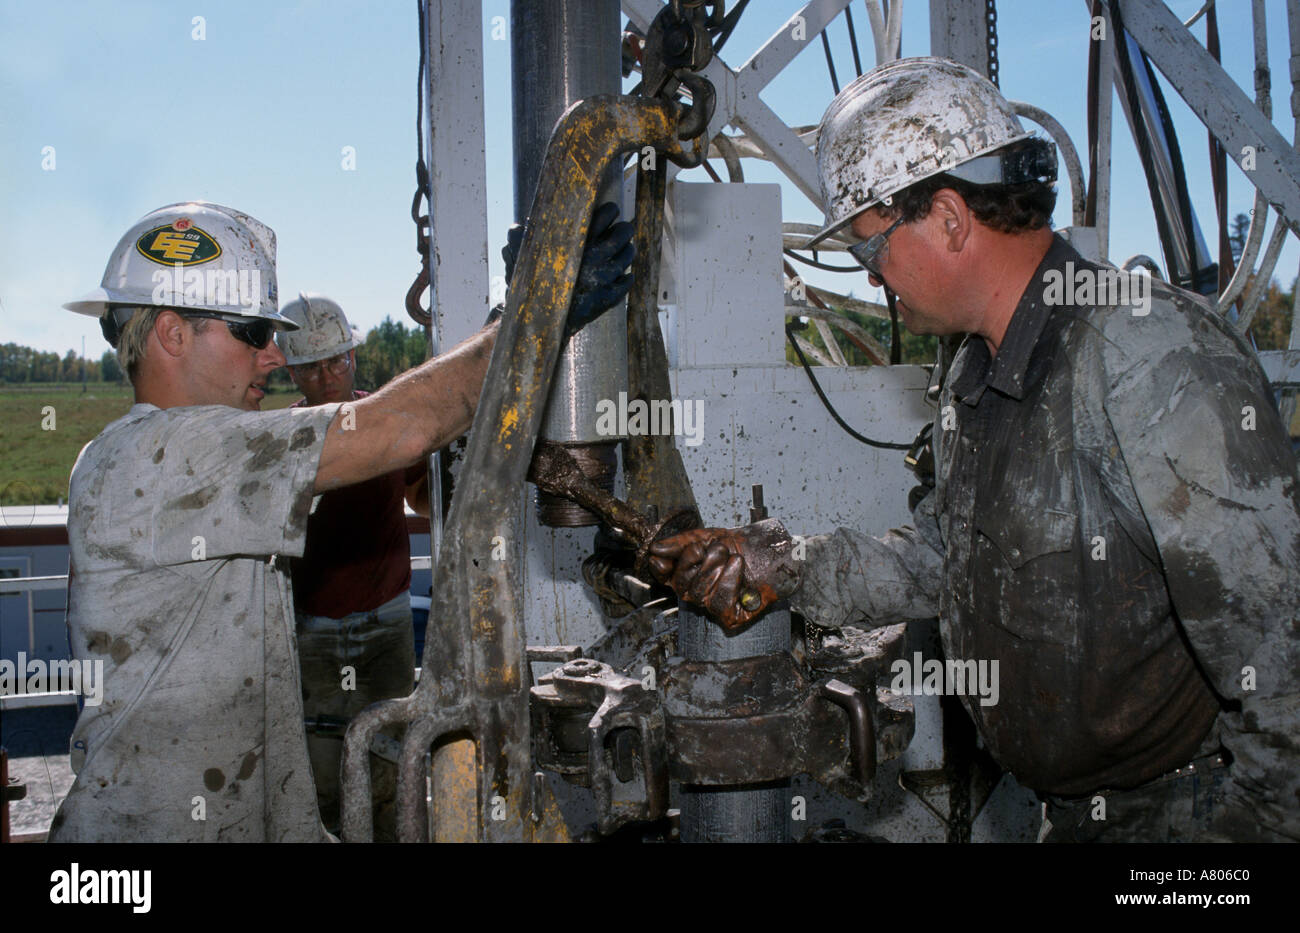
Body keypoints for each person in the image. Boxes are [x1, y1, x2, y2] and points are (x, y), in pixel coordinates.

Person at [648, 58, 1300, 843]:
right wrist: (783, 564)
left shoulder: (1147, 355)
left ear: (951, 218)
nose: (878, 280)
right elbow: (943, 557)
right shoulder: (975, 374)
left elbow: (1283, 660)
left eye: (873, 249)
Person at [52, 199, 632, 842]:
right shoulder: (161, 455)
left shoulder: (186, 458)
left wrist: (513, 320)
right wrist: (535, 314)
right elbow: (399, 424)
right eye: (252, 332)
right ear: (172, 333)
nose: (273, 358)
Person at [272, 293, 427, 841]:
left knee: (390, 760)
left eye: (337, 360)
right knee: (319, 772)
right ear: (292, 371)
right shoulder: (281, 443)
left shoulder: (387, 424)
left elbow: (426, 501)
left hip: (385, 626)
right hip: (311, 631)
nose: (327, 375)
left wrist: (451, 450)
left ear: (353, 358)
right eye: (312, 366)